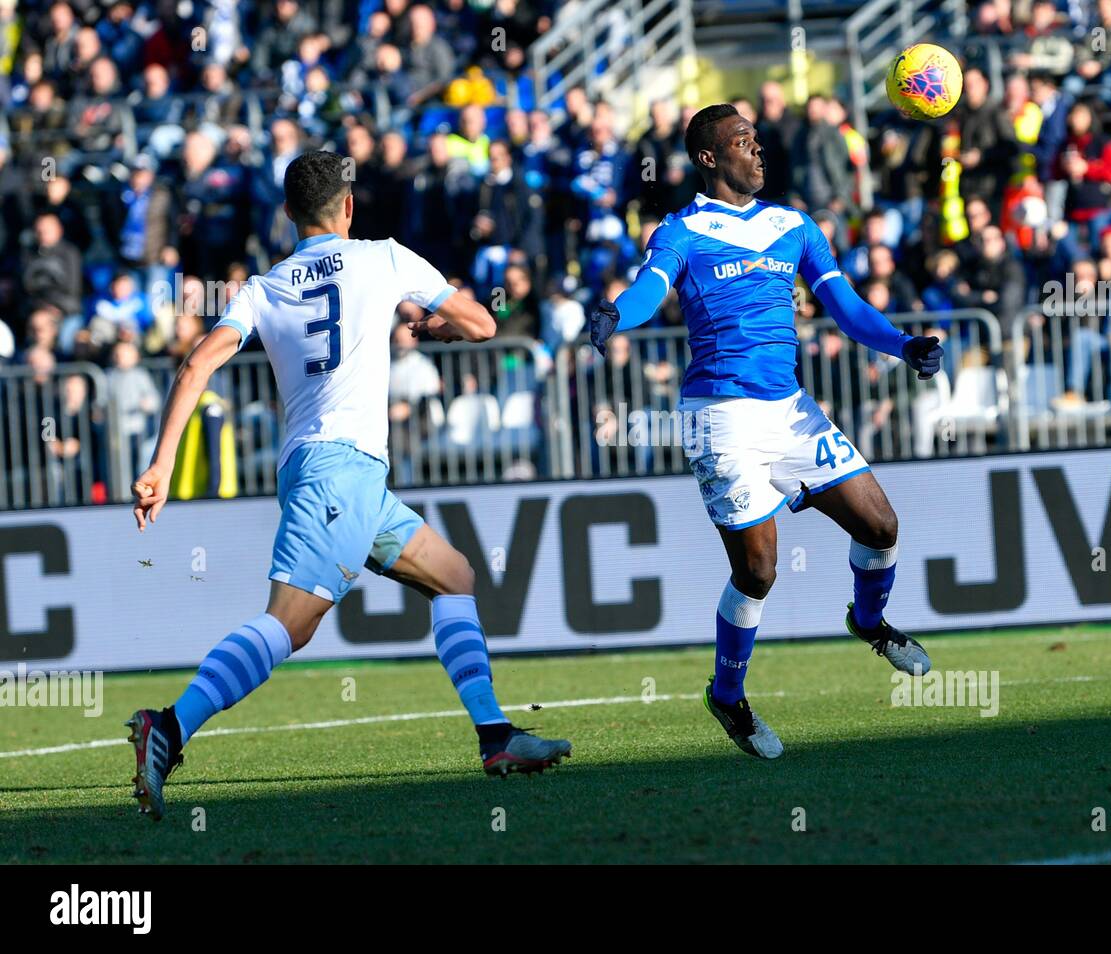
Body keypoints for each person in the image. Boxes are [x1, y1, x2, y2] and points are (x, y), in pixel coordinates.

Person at [125, 151, 571, 821]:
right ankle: (171, 725)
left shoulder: (263, 287)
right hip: (342, 473)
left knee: (453, 575)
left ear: (287, 216)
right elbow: (482, 322)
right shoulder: (385, 258)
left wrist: (160, 466)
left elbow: (196, 365)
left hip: (332, 473)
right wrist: (438, 327)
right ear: (349, 206)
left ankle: (495, 736)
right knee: (289, 627)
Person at [588, 105, 941, 760]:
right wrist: (616, 313)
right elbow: (649, 288)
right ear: (709, 158)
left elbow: (845, 308)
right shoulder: (682, 231)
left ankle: (869, 623)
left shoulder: (794, 226)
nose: (758, 150)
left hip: (789, 411)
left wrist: (902, 342)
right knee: (758, 569)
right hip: (719, 417)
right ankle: (728, 695)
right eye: (742, 142)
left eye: (757, 139)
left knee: (882, 526)